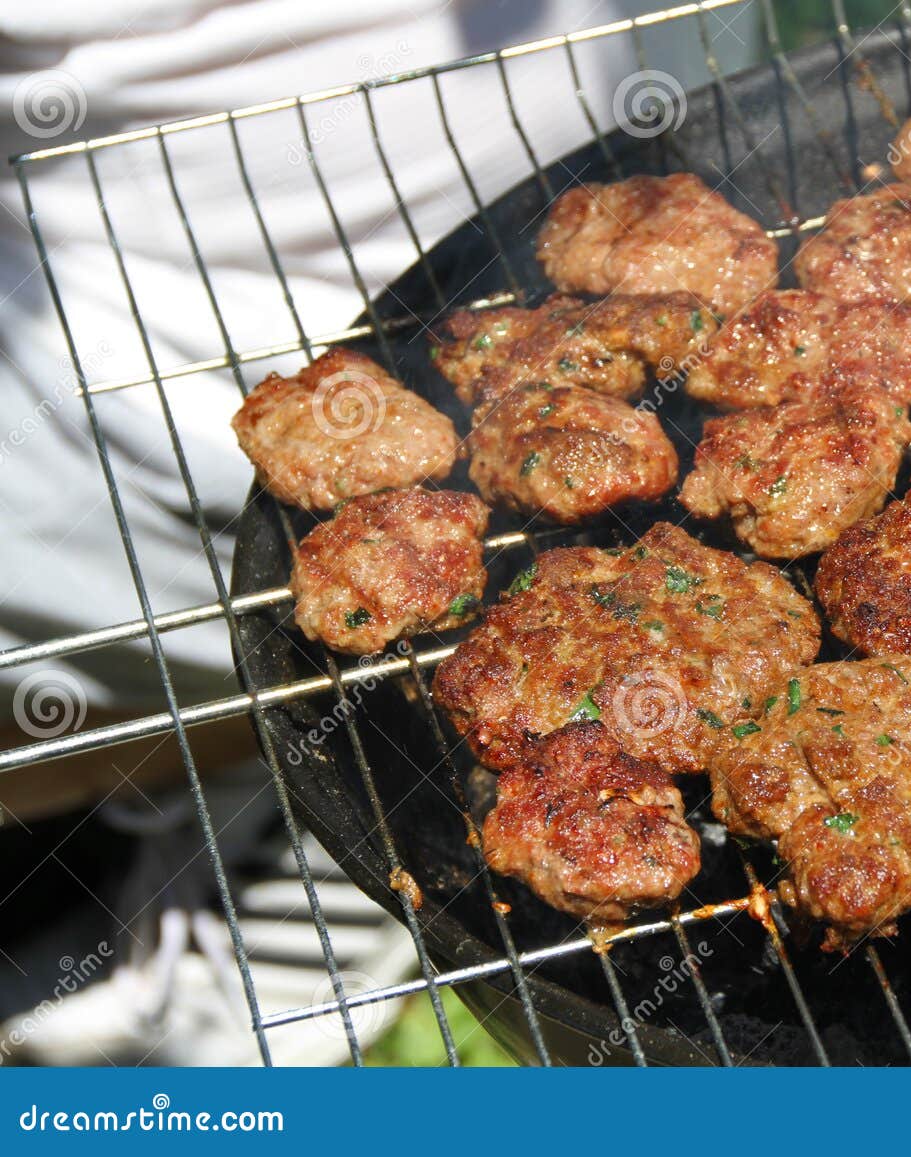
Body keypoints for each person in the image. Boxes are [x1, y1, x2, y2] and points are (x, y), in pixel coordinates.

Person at [0, 0, 758, 1065]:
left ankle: (268, 897)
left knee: (326, 734)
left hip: (623, 152)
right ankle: (228, 865)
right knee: (219, 692)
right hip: (143, 370)